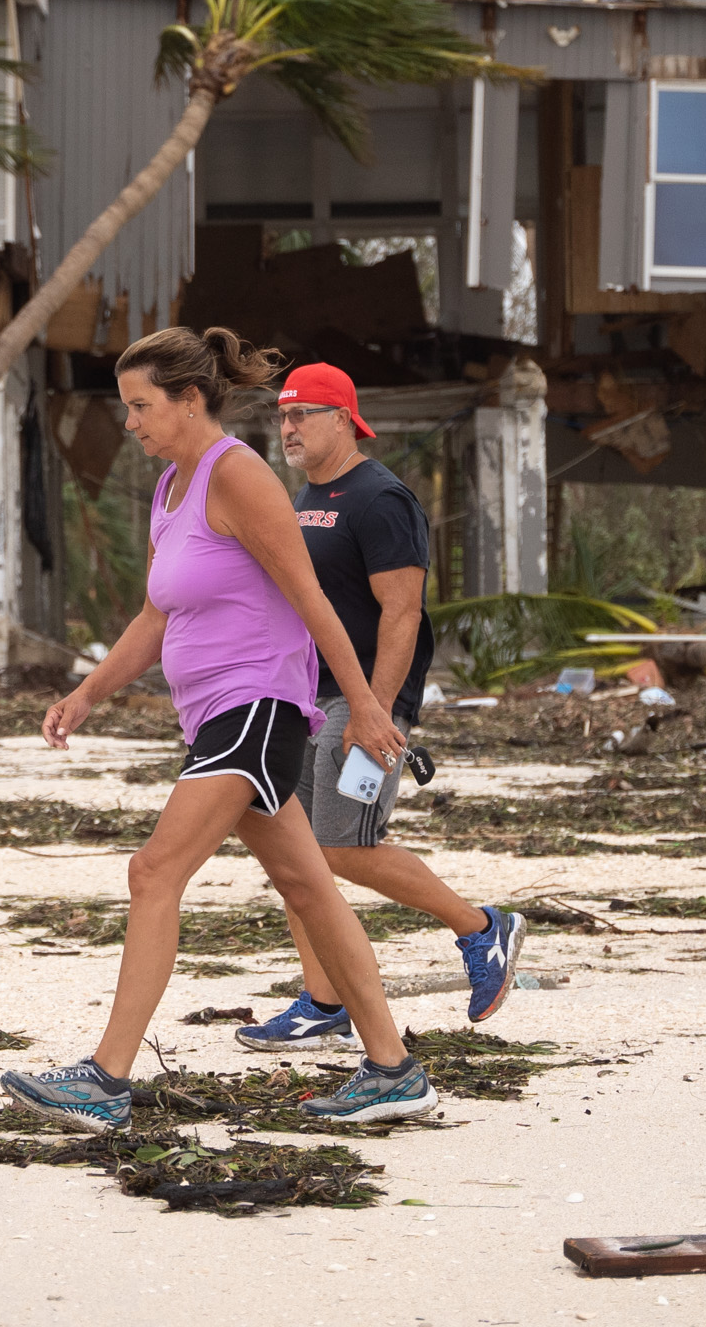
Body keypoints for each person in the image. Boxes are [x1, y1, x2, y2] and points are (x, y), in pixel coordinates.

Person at [0, 327, 439, 1133]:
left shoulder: (238, 476)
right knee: (308, 886)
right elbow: (156, 615)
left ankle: (105, 1079)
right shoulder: (175, 488)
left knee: (152, 872)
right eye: (126, 407)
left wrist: (368, 705)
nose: (130, 423)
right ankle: (393, 1069)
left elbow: (312, 599)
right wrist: (87, 694)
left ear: (190, 401)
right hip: (211, 718)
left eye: (141, 406)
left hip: (257, 707)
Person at [236, 361, 526, 1051]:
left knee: (342, 844)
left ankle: (484, 929)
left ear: (343, 419)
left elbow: (402, 611)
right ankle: (323, 1000)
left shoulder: (380, 498)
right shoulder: (302, 497)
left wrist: (378, 711)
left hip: (364, 704)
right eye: (282, 416)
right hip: (306, 699)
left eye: (302, 414)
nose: (288, 428)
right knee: (295, 855)